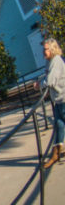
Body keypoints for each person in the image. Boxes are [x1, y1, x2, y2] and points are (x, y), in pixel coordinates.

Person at [39, 38, 65, 168]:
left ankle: (56, 152)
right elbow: (46, 76)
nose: (43, 51)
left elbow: (50, 81)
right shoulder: (49, 62)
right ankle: (56, 152)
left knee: (60, 123)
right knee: (59, 124)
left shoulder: (56, 61)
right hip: (58, 99)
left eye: (45, 49)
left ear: (52, 49)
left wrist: (39, 85)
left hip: (64, 98)